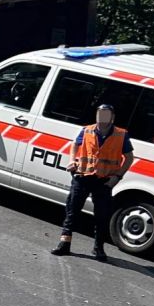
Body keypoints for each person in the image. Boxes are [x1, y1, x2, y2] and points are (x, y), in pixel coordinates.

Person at [51, 103, 134, 261]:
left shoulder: (121, 135)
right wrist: (73, 161)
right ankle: (64, 243)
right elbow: (75, 144)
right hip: (83, 176)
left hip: (104, 181)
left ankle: (98, 248)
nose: (101, 118)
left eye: (106, 114)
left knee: (101, 216)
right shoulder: (87, 130)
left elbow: (129, 158)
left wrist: (117, 177)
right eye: (99, 114)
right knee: (72, 211)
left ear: (112, 118)